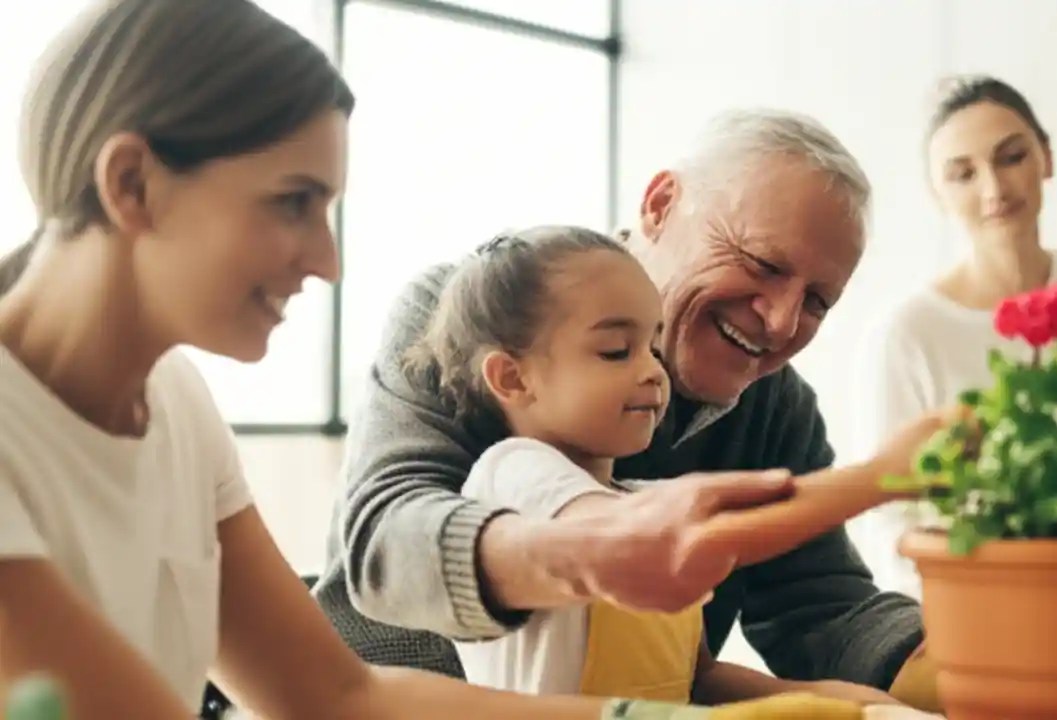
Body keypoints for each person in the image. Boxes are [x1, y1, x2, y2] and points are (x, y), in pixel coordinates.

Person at [0, 2, 856, 719]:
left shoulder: (174, 401)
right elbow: (384, 543)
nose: (326, 260)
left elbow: (339, 698)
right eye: (293, 202)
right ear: (133, 184)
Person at [318, 108, 936, 692]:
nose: (780, 321)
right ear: (661, 205)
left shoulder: (775, 405)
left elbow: (819, 605)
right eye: (761, 264)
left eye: (817, 303)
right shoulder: (470, 318)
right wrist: (595, 550)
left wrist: (964, 663)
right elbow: (387, 543)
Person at [407, 225, 928, 710]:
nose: (654, 373)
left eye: (652, 346)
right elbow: (668, 541)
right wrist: (883, 476)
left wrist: (842, 700)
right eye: (615, 351)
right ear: (512, 378)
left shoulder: (634, 499)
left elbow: (694, 681)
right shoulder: (513, 476)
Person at [846, 75, 1057, 599]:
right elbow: (885, 523)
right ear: (937, 193)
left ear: (1048, 157)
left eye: (1011, 157)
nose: (993, 189)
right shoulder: (906, 332)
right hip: (968, 609)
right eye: (963, 174)